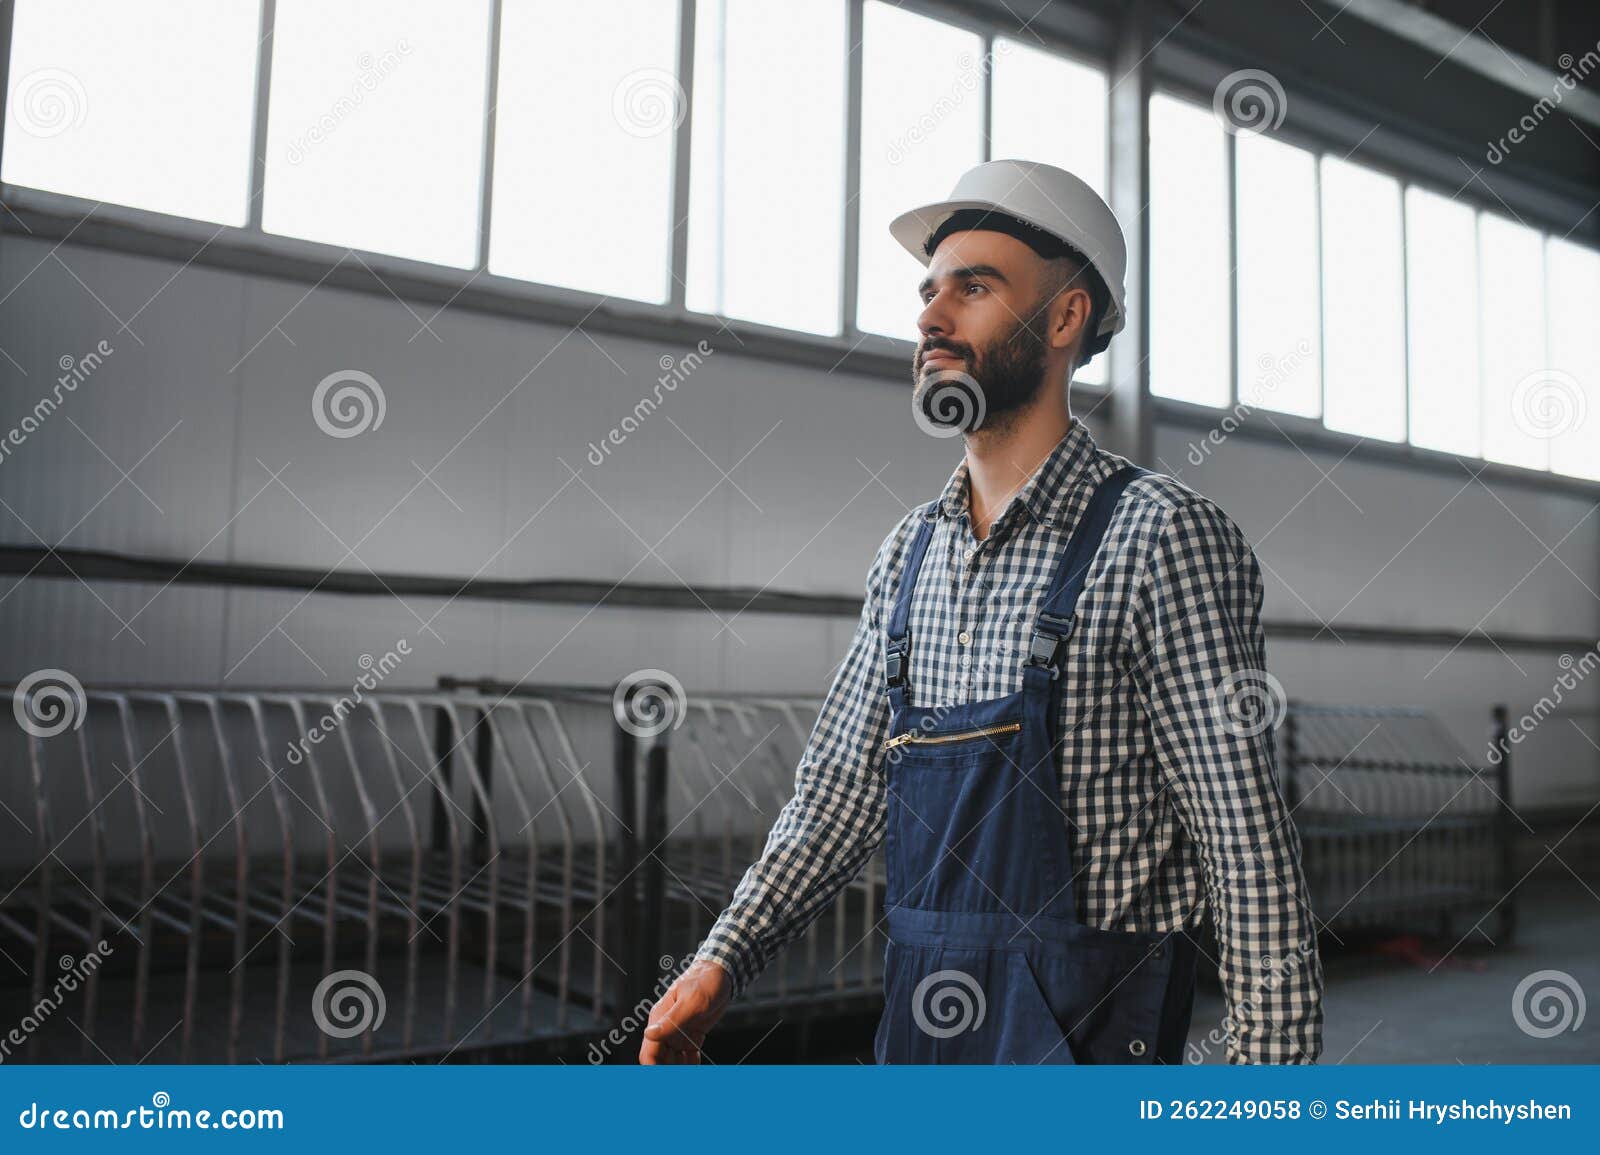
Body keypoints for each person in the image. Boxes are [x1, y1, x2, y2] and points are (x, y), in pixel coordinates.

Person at [639, 159, 1323, 1065]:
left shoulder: (1160, 537)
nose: (931, 316)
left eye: (974, 287)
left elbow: (1242, 840)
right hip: (923, 1039)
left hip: (1085, 1048)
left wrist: (1267, 1078)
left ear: (1066, 318)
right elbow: (838, 795)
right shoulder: (907, 555)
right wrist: (722, 958)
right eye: (928, 291)